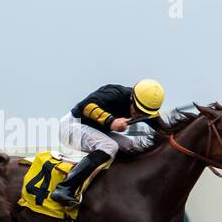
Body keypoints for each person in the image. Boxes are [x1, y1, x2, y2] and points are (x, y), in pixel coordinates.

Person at [49, 78, 165, 207]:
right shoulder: (114, 93)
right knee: (109, 146)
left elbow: (165, 130)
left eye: (144, 114)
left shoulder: (146, 110)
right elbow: (86, 106)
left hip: (96, 130)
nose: (139, 116)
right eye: (137, 111)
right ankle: (64, 188)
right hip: (72, 126)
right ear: (132, 98)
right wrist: (111, 121)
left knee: (134, 147)